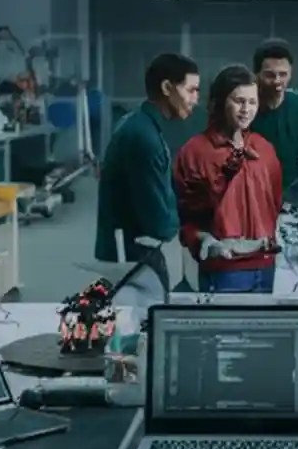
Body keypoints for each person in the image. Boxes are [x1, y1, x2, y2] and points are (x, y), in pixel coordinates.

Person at [174, 65, 283, 293]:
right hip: (224, 270)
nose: (246, 109)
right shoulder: (196, 152)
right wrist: (202, 241)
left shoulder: (264, 150)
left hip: (267, 266)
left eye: (252, 102)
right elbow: (185, 217)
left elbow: (275, 205)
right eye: (238, 101)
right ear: (220, 103)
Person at [94, 53, 200, 265]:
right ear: (167, 88)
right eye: (191, 90)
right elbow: (160, 224)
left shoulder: (139, 124)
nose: (195, 99)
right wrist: (195, 226)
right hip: (131, 259)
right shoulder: (144, 137)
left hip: (130, 250)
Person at [250, 39, 298, 190]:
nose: (277, 81)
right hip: (254, 194)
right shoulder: (245, 108)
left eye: (283, 74)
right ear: (256, 74)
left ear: (291, 73)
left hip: (295, 198)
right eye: (270, 75)